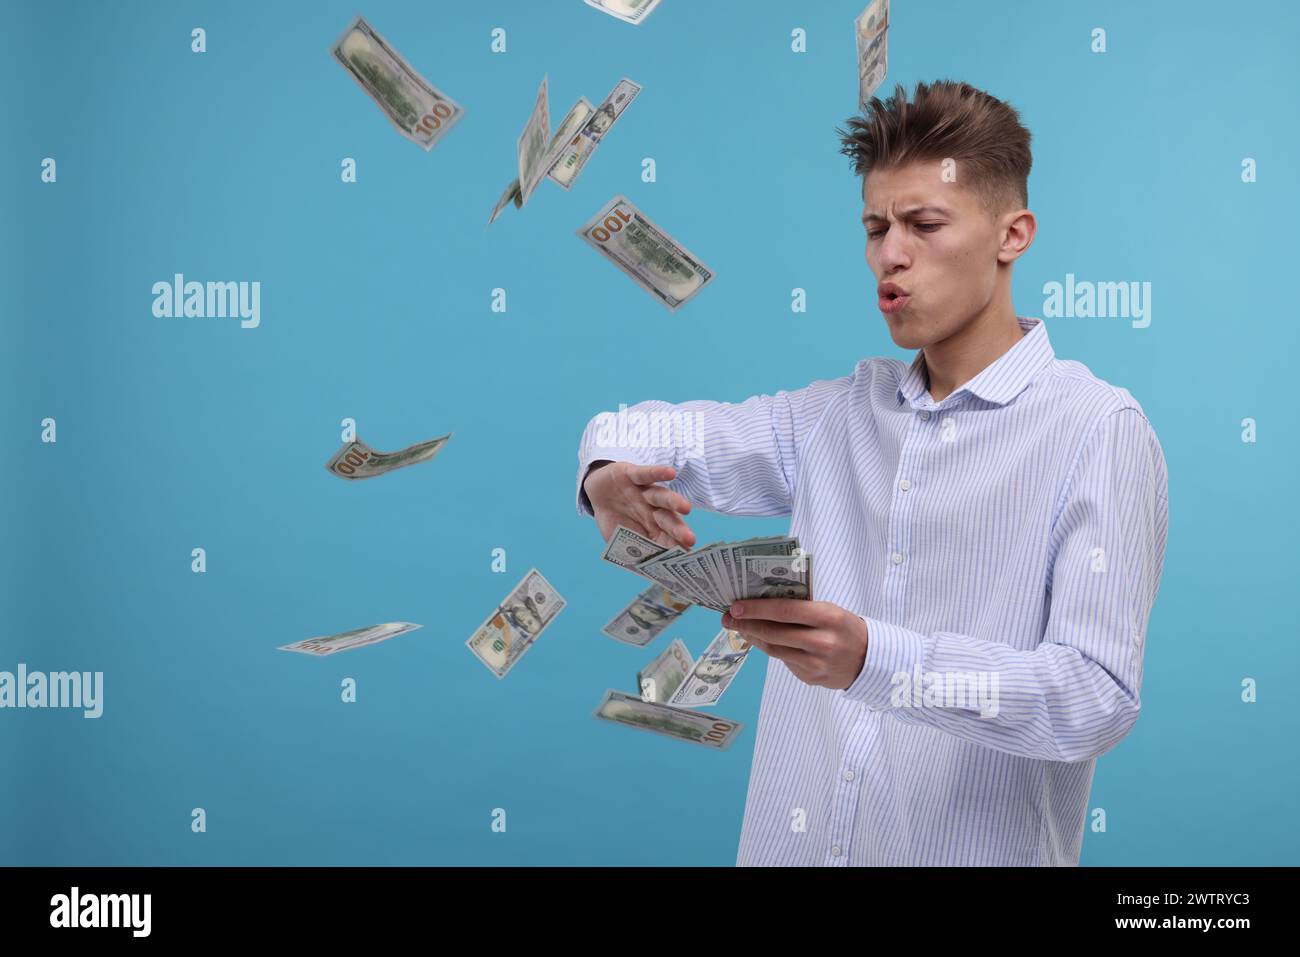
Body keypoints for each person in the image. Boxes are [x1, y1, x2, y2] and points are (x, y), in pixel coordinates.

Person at [574, 79, 1169, 866]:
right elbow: (647, 430)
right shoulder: (839, 414)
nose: (890, 254)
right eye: (876, 227)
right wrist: (605, 469)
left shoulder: (1098, 431)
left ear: (1012, 234)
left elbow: (1094, 698)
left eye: (925, 224)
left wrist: (877, 663)